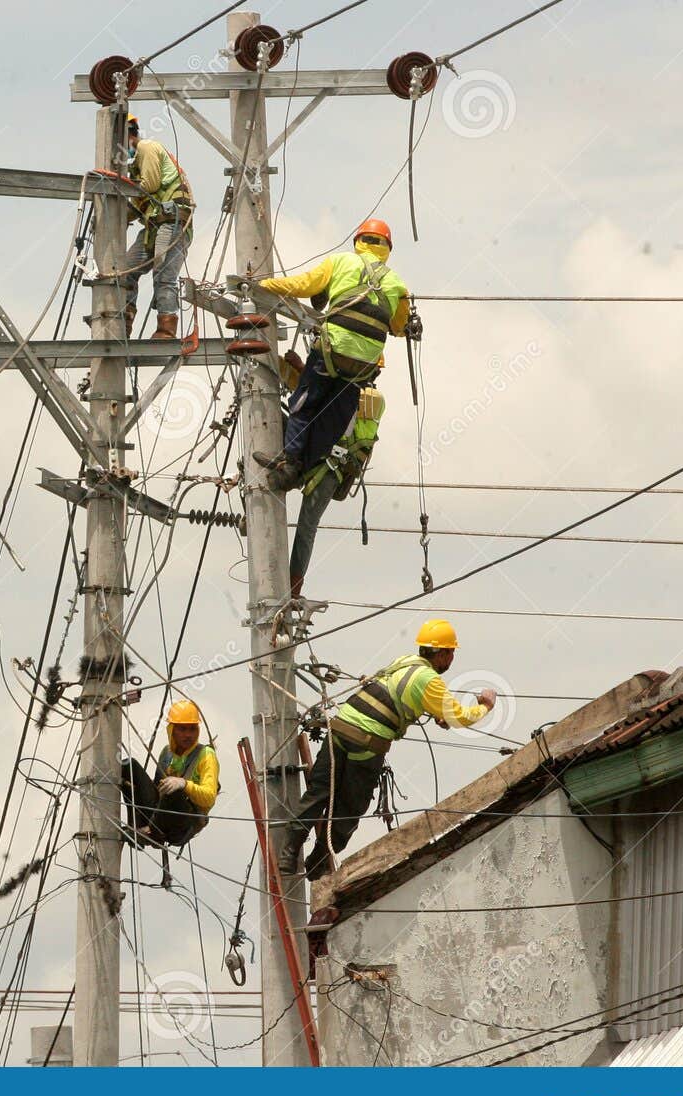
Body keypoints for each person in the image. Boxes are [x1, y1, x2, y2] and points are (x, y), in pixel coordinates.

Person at [281, 620, 495, 880]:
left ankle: (288, 853)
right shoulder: (430, 682)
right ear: (442, 653)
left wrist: (438, 713)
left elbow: (397, 692)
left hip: (340, 727)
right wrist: (485, 705)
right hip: (367, 742)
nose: (451, 659)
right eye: (451, 653)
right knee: (350, 807)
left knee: (319, 791)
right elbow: (460, 717)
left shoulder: (405, 661)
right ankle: (318, 865)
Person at [250, 219, 413, 492]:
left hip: (332, 351)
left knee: (304, 405)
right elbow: (399, 328)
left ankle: (291, 465)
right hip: (363, 366)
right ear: (387, 248)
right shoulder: (397, 283)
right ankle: (300, 470)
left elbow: (303, 286)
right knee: (332, 420)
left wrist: (263, 284)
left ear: (358, 241)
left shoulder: (341, 262)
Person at [279, 346, 385, 599]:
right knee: (271, 413)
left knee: (307, 526)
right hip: (314, 448)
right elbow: (317, 398)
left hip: (330, 466)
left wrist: (305, 369)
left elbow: (333, 403)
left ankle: (294, 587)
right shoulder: (347, 385)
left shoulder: (371, 397)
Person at [120, 115, 194, 341]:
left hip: (172, 221)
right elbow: (139, 204)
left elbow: (149, 185)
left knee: (163, 275)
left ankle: (166, 328)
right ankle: (122, 323)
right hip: (154, 225)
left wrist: (119, 189)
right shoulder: (135, 166)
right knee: (125, 271)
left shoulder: (147, 148)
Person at [120, 699, 219, 848]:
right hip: (160, 814)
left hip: (183, 823)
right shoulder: (167, 753)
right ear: (172, 730)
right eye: (182, 729)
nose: (188, 735)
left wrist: (184, 784)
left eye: (192, 729)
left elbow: (209, 798)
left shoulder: (206, 755)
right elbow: (155, 791)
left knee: (175, 789)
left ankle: (151, 833)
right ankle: (137, 827)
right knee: (128, 766)